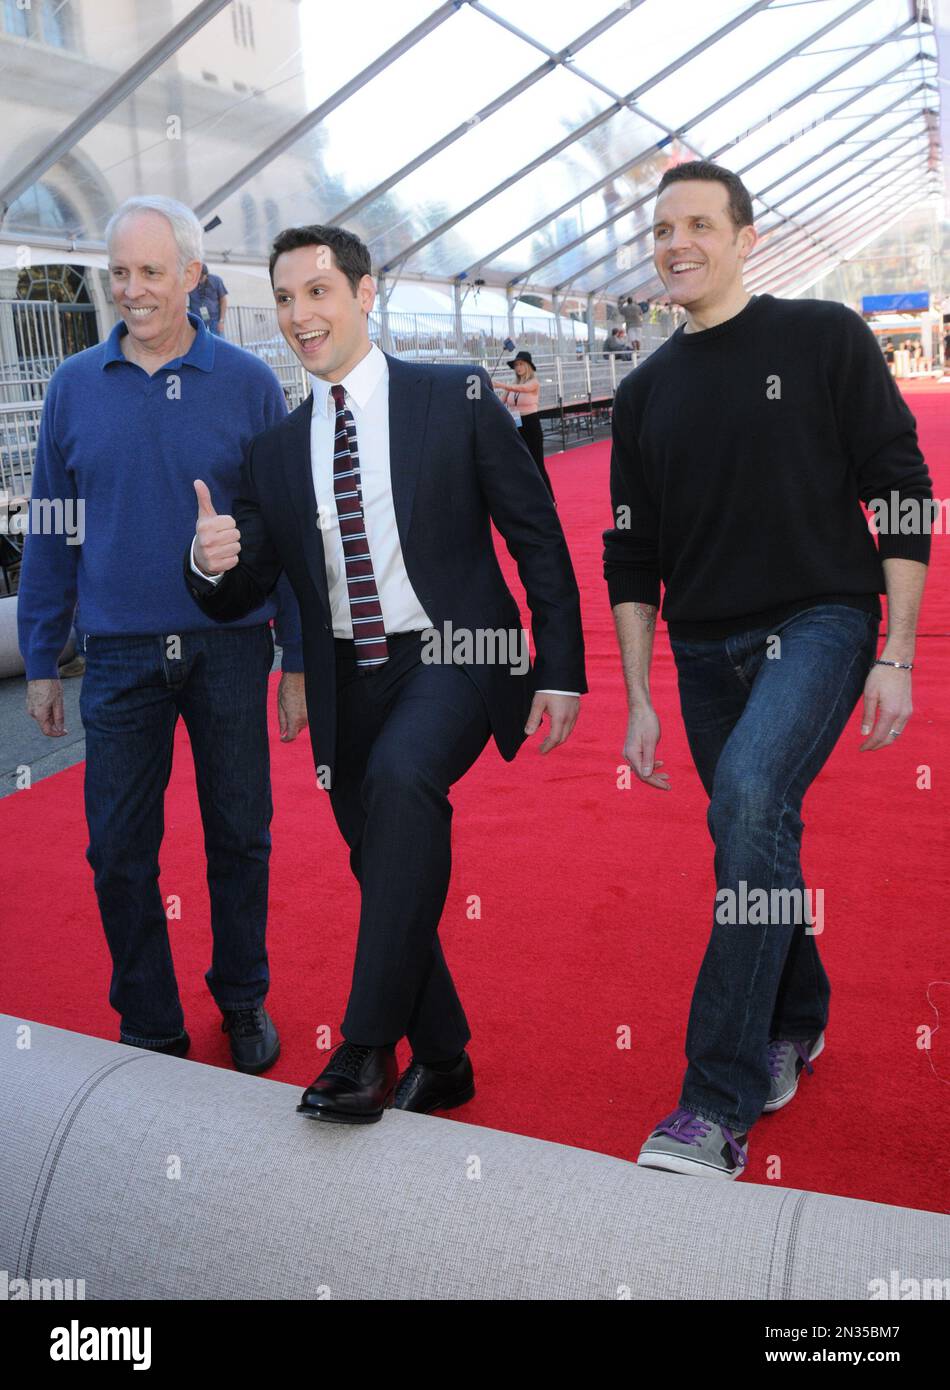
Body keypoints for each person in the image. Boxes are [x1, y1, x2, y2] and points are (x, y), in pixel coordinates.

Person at [184, 224, 586, 1123]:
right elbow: (245, 581)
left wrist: (561, 668)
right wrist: (212, 561)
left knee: (406, 784)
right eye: (284, 298)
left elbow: (537, 534)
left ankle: (365, 1046)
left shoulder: (456, 396)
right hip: (347, 678)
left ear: (365, 295)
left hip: (456, 653)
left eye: (318, 292)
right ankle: (444, 1059)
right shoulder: (278, 451)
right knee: (385, 863)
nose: (299, 314)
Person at [602, 159, 932, 1179]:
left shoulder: (820, 337)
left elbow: (902, 484)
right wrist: (641, 697)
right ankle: (796, 1011)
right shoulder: (644, 389)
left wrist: (897, 651)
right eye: (661, 228)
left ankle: (714, 1100)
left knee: (747, 798)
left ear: (745, 237)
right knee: (755, 832)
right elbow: (629, 551)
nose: (675, 242)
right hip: (701, 651)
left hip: (821, 619)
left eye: (698, 222)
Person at [17, 195, 305, 1073]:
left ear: (191, 274)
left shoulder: (249, 384)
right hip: (117, 657)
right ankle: (148, 1022)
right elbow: (50, 526)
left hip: (229, 648)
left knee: (241, 835)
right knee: (116, 851)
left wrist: (294, 654)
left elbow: (283, 526)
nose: (132, 291)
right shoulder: (72, 387)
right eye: (118, 274)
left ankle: (244, 998)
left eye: (150, 272)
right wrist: (39, 656)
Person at [492, 350, 555, 502]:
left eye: (521, 364)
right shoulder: (513, 385)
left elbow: (524, 389)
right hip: (516, 425)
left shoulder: (534, 382)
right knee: (519, 463)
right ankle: (526, 497)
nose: (518, 367)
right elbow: (501, 402)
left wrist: (501, 384)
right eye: (516, 365)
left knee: (537, 463)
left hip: (531, 424)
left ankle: (550, 499)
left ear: (527, 366)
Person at [188, 262, 229, 336]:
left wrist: (221, 321)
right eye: (197, 277)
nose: (199, 280)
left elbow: (223, 300)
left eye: (201, 277)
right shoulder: (190, 283)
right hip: (197, 320)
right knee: (199, 342)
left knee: (218, 342)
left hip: (215, 319)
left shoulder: (216, 280)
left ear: (206, 274)